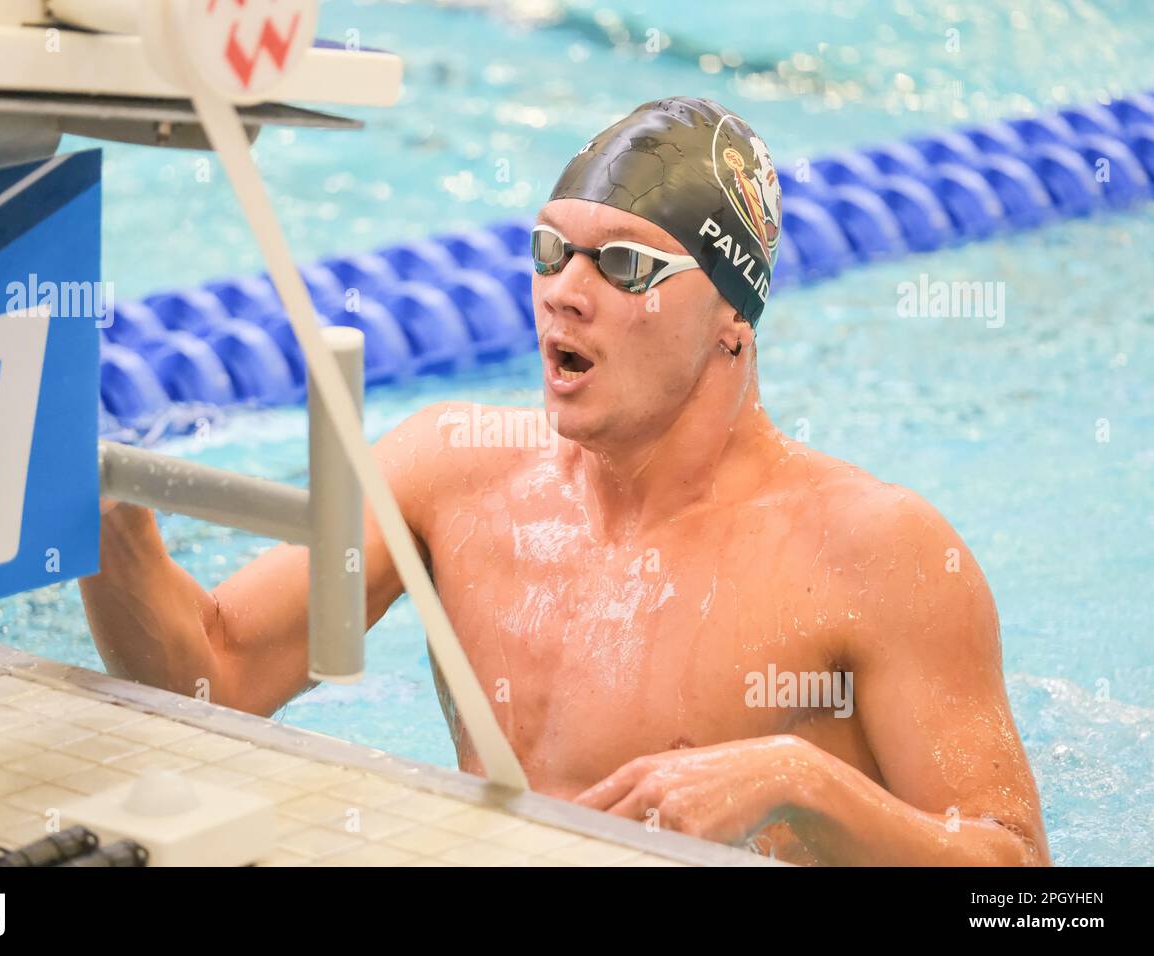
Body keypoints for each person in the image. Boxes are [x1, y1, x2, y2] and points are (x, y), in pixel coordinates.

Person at [81, 97, 1048, 865]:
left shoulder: (878, 553)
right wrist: (110, 528)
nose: (564, 292)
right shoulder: (449, 472)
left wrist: (802, 782)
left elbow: (1026, 894)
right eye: (551, 250)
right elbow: (208, 676)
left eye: (624, 265)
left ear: (730, 324)